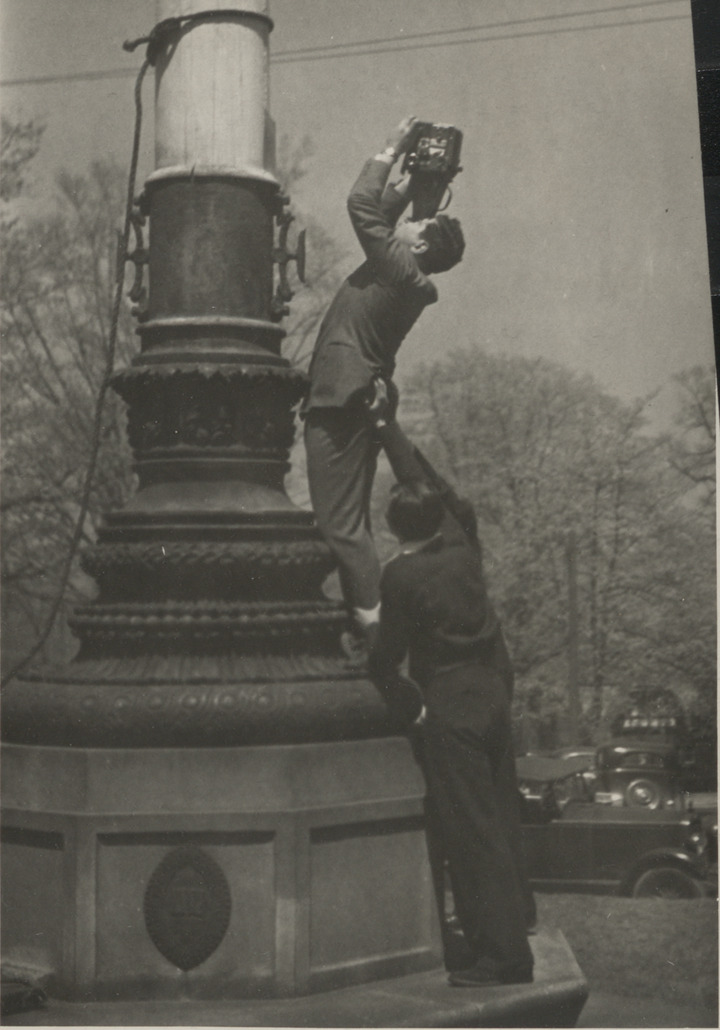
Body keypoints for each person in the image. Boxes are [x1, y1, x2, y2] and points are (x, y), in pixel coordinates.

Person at [302, 116, 465, 648]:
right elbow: (389, 219)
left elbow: (361, 207)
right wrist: (414, 188)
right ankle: (371, 625)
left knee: (341, 527)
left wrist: (391, 148)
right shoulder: (407, 271)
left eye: (419, 225)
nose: (413, 221)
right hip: (353, 392)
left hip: (341, 394)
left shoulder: (398, 266)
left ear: (417, 247)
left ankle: (376, 635)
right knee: (350, 525)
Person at [367, 473, 535, 988]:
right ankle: (507, 936)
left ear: (394, 528)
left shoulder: (398, 576)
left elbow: (389, 655)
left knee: (471, 836)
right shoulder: (465, 555)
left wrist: (372, 640)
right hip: (491, 697)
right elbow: (455, 508)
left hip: (451, 706)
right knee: (497, 825)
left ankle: (505, 960)